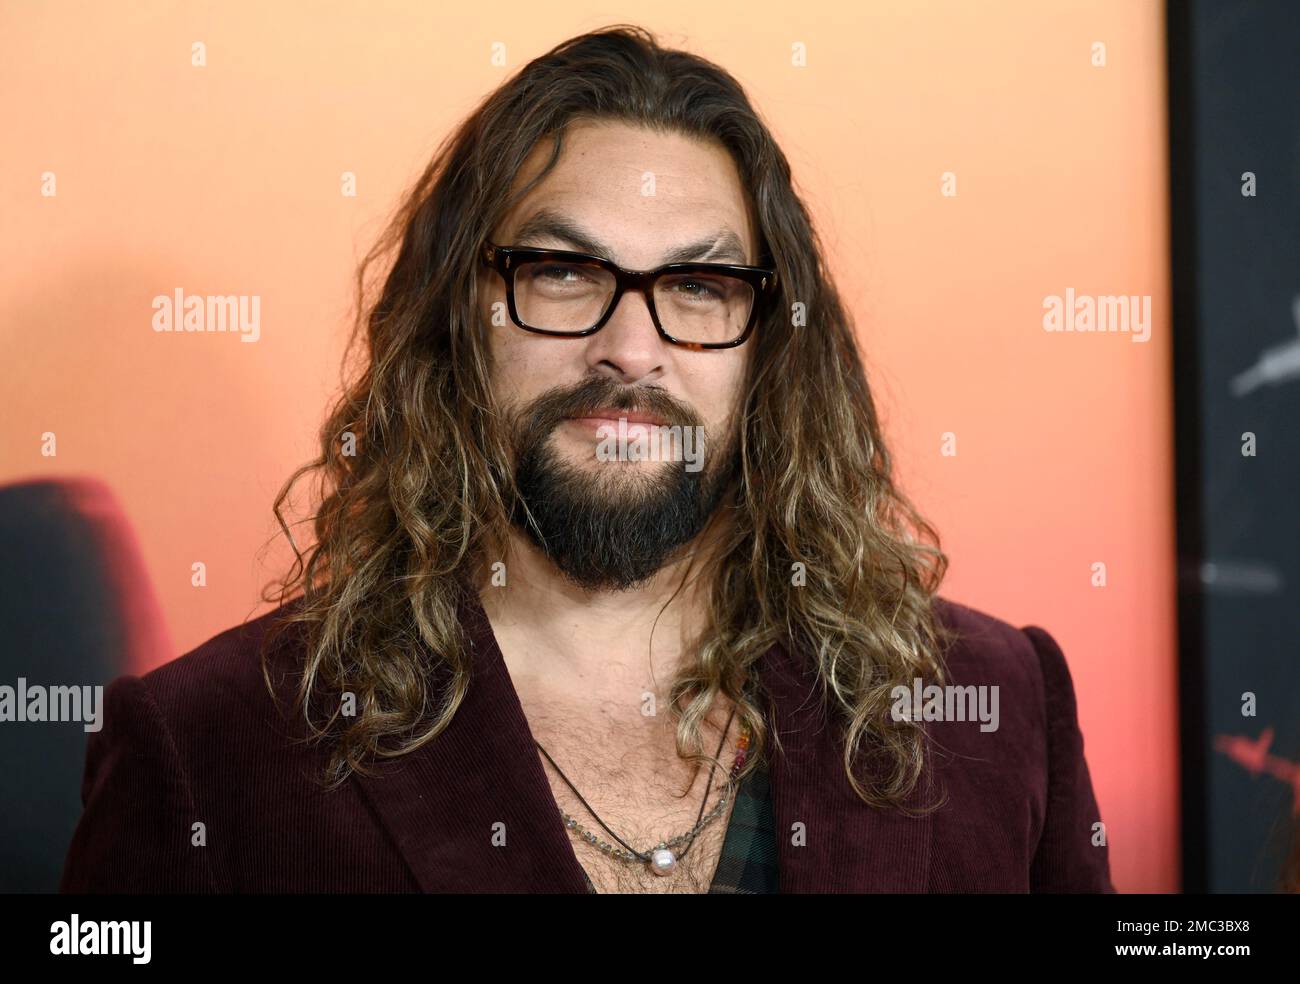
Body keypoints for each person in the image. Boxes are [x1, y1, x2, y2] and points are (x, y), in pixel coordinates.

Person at [60, 24, 1113, 894]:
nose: (631, 349)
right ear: (457, 322)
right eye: (562, 272)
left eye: (699, 288)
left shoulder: (995, 704)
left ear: (770, 348)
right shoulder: (208, 752)